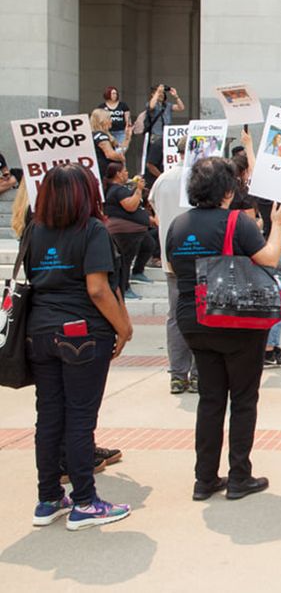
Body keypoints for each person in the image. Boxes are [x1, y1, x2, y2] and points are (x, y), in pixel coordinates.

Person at [166, 157, 281, 501]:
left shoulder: (178, 224)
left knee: (210, 398)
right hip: (235, 319)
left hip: (194, 318)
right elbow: (270, 258)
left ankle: (204, 479)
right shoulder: (237, 222)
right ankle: (239, 476)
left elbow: (174, 266)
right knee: (244, 398)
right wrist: (276, 224)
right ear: (227, 190)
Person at [25, 163, 134, 530]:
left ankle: (49, 497)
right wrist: (123, 328)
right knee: (80, 418)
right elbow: (98, 288)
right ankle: (85, 502)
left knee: (49, 416)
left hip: (39, 332)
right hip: (82, 334)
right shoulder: (92, 231)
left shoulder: (33, 230)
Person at [148, 147, 198, 394]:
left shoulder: (162, 179)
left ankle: (178, 375)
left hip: (172, 258)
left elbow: (154, 210)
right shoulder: (199, 177)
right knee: (201, 314)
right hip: (199, 255)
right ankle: (197, 374)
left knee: (175, 316)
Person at [102, 163, 148, 303]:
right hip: (125, 232)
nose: (127, 173)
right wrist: (138, 190)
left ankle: (137, 273)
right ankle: (124, 287)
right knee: (125, 260)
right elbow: (130, 206)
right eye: (125, 171)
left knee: (148, 245)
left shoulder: (119, 189)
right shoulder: (118, 190)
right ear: (118, 174)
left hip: (134, 230)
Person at [90, 109, 124, 182]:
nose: (111, 121)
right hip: (104, 173)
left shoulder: (92, 135)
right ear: (103, 120)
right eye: (109, 118)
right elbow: (110, 154)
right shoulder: (101, 135)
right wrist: (121, 158)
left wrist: (127, 137)